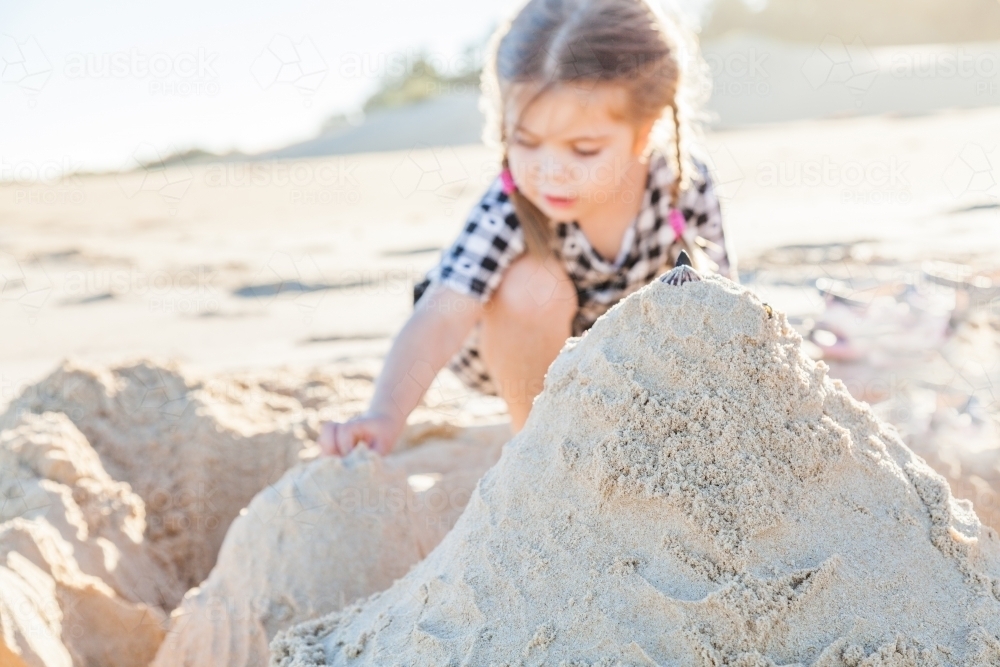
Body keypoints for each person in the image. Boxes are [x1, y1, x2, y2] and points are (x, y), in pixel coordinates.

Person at [319, 0, 736, 456]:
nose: (550, 171)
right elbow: (442, 316)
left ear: (644, 131)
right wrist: (384, 413)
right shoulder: (512, 201)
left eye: (583, 149)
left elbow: (725, 304)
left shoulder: (680, 183)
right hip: (514, 343)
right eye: (527, 142)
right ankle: (538, 451)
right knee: (530, 286)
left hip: (620, 351)